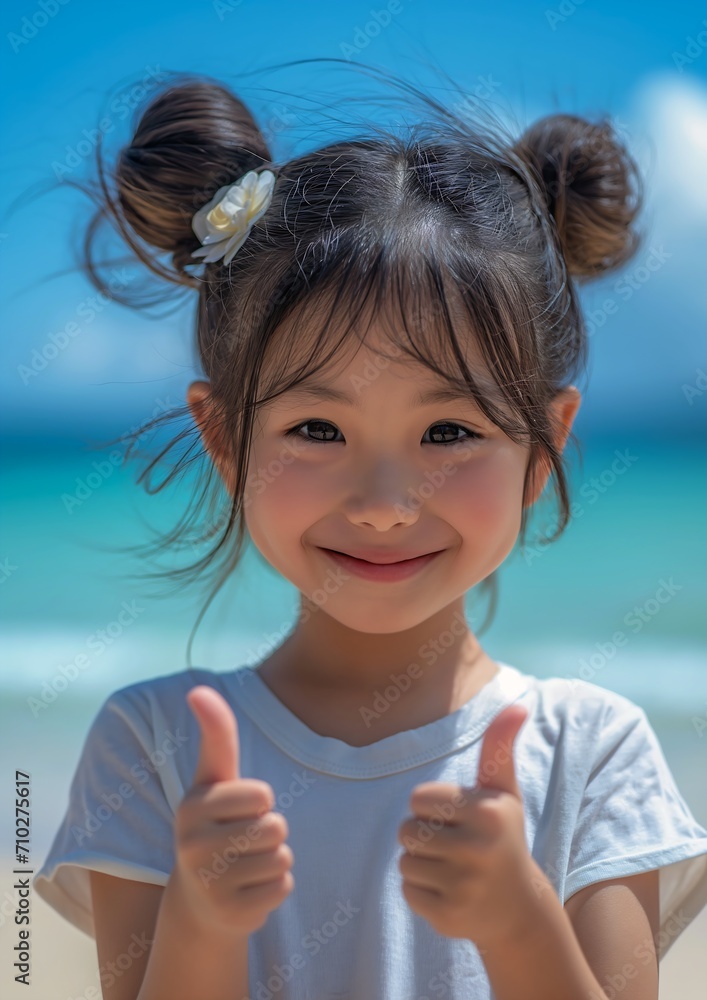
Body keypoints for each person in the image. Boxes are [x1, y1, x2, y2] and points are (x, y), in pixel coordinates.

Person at [34, 62, 707, 1000]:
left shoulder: (595, 756)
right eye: (317, 430)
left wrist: (518, 926)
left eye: (449, 432)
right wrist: (201, 920)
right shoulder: (153, 748)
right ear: (225, 441)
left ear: (543, 447)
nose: (385, 502)